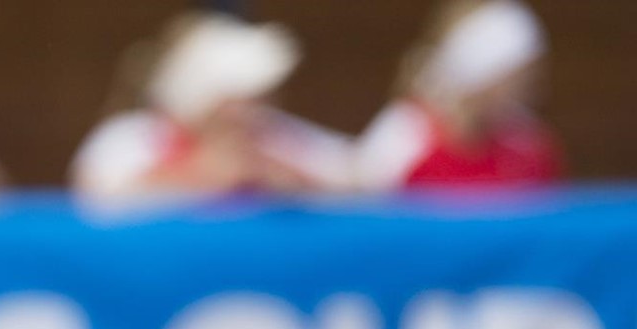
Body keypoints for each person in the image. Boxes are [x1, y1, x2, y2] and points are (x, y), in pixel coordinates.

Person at [70, 11, 355, 200]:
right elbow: (99, 197)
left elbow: (360, 183)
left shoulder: (275, 137)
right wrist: (200, 175)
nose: (253, 108)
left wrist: (284, 181)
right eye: (236, 97)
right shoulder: (130, 138)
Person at [357, 0, 561, 190]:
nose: (530, 92)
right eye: (516, 81)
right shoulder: (404, 137)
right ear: (481, 76)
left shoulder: (529, 146)